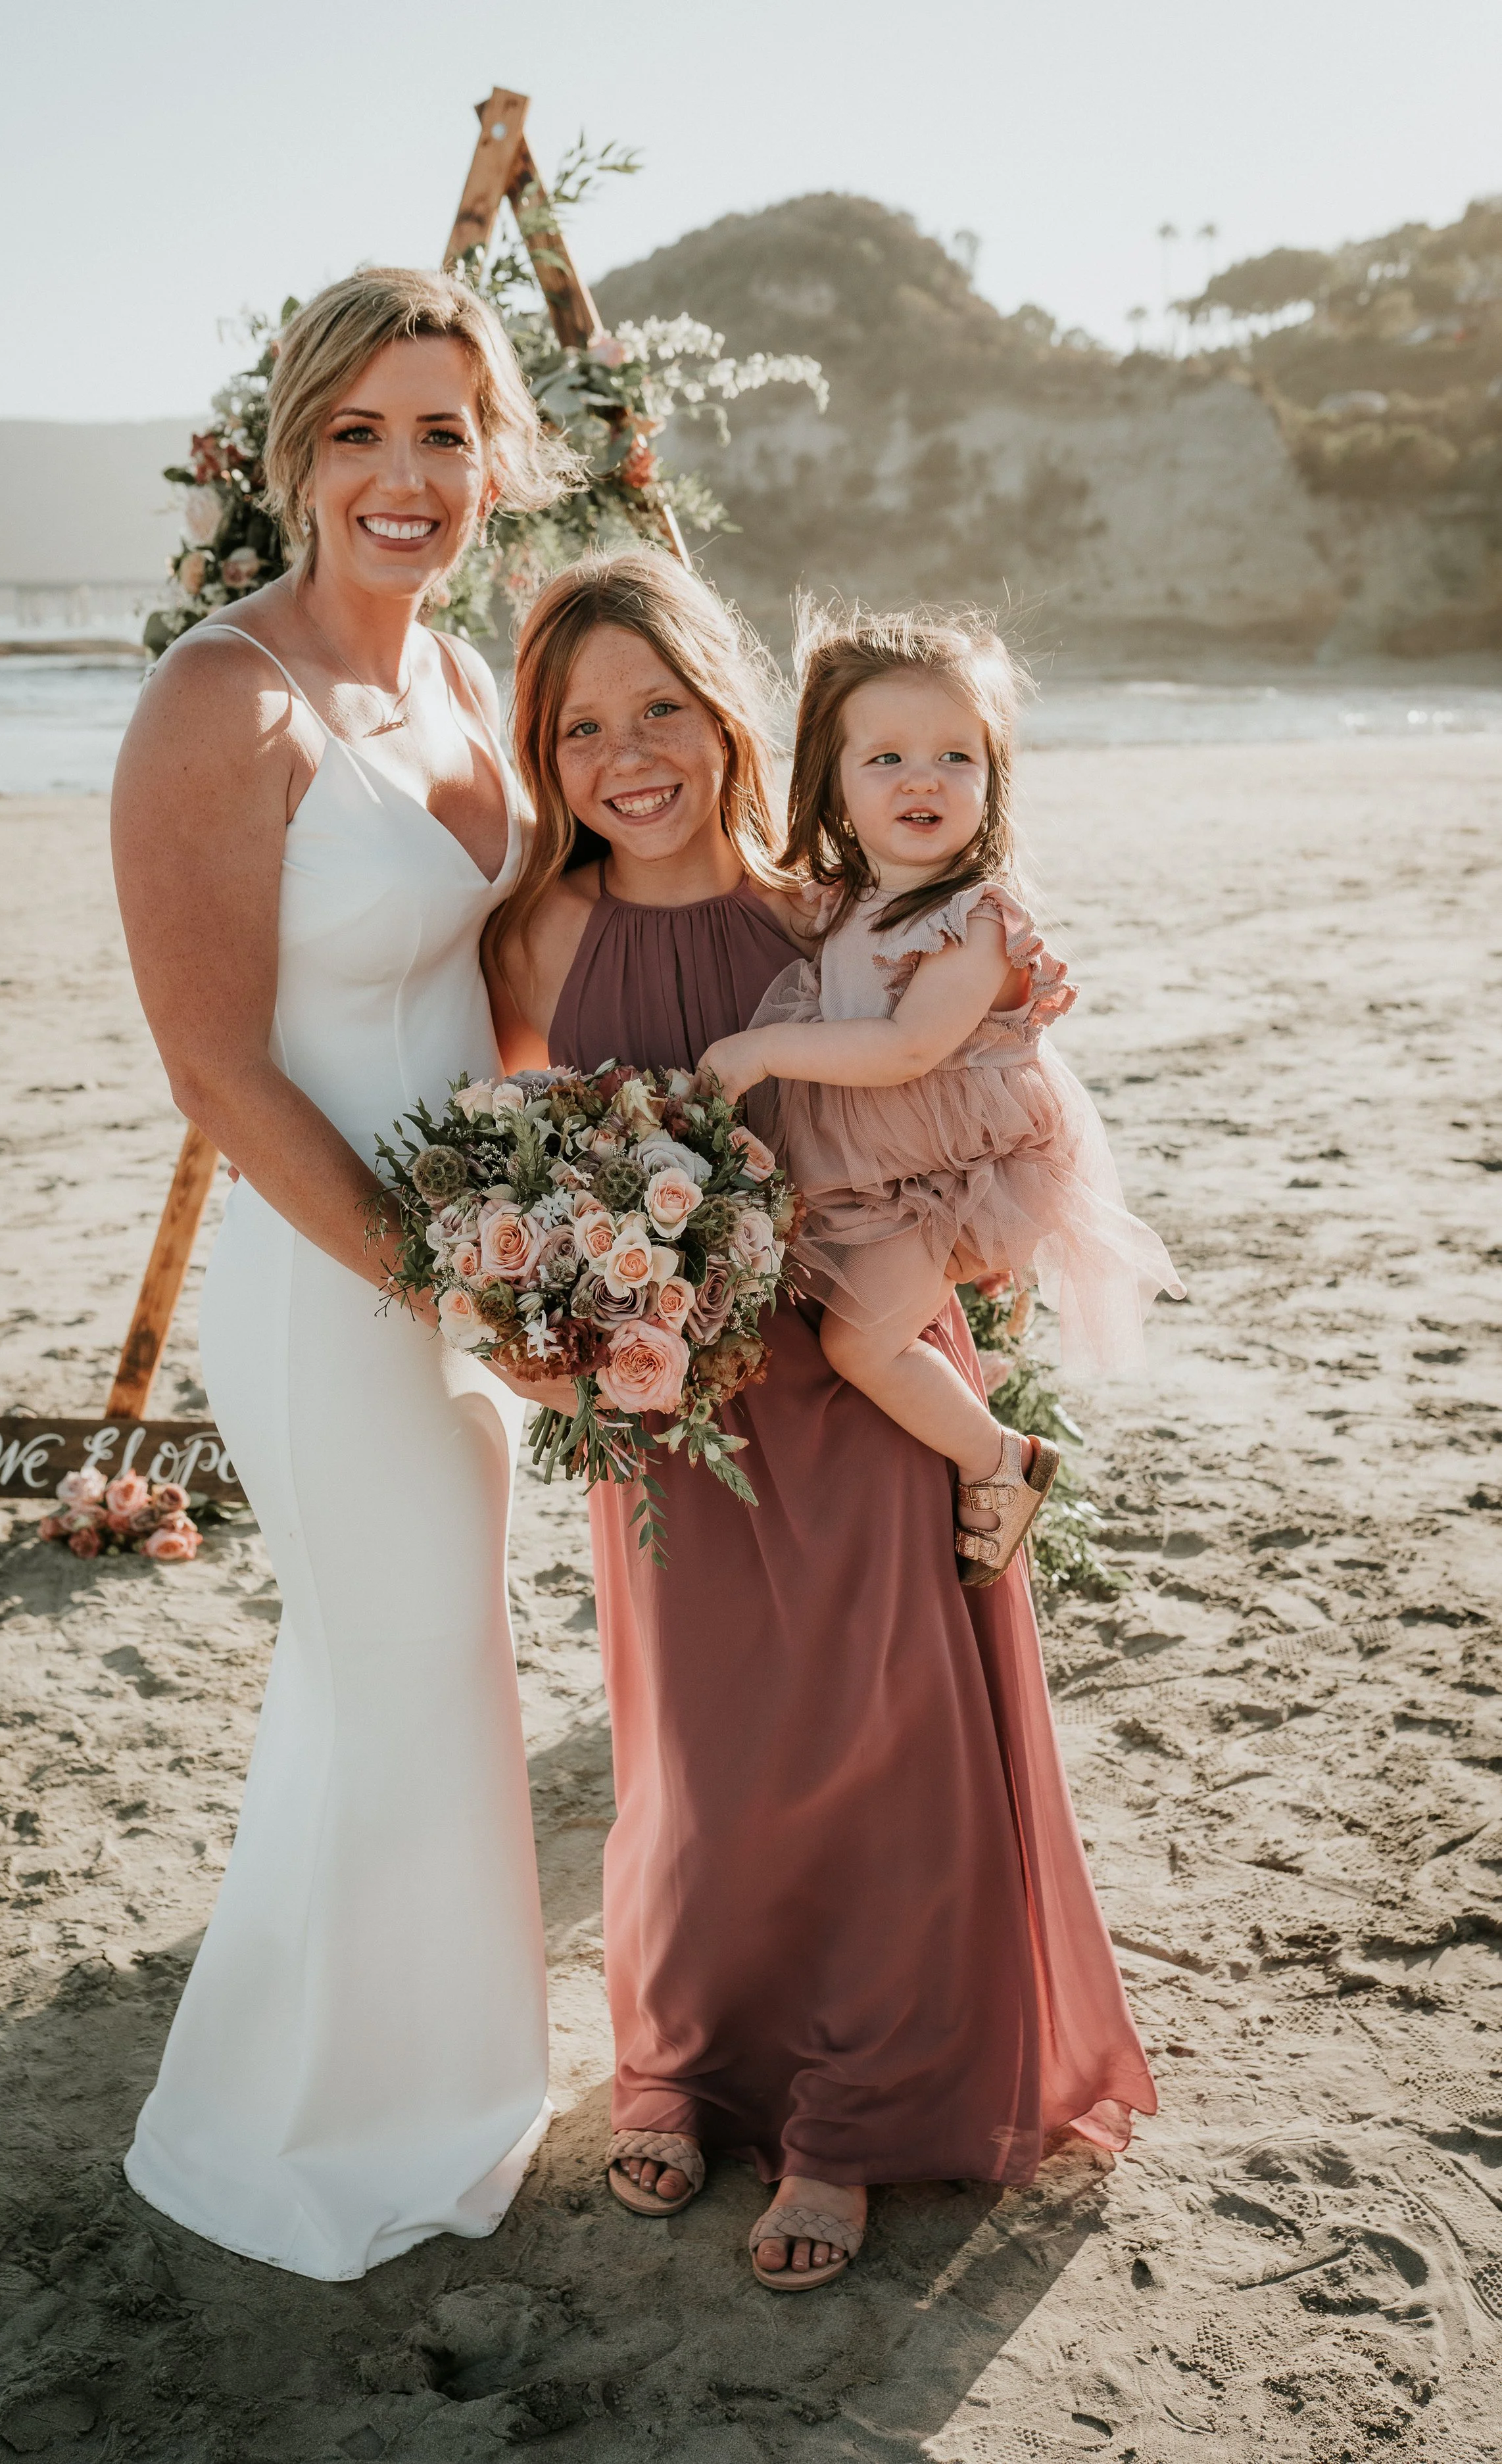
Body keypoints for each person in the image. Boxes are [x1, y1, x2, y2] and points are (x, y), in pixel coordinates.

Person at [486, 551, 1157, 2292]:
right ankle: (683, 2068)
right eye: (578, 728)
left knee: (873, 1744)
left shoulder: (818, 909)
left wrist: (1018, 1013)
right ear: (542, 758)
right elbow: (509, 1164)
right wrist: (550, 1335)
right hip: (666, 1409)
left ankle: (851, 2122)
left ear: (725, 720)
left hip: (850, 1367)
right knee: (694, 1761)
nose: (626, 753)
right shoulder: (536, 933)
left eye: (659, 709)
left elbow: (972, 1051)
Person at [109, 268, 581, 2280]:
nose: (407, 476)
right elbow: (218, 1064)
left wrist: (580, 1219)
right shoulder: (222, 701)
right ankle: (318, 2131)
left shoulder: (470, 679)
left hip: (480, 1260)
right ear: (291, 449)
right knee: (401, 1673)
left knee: (424, 1665)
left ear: (498, 461)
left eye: (446, 433)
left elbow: (510, 974)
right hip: (336, 1283)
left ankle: (433, 2072)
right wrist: (438, 1280)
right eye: (363, 432)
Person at [696, 604, 1184, 1586]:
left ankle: (1000, 1458)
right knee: (838, 1327)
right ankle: (977, 1393)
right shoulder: (850, 894)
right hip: (874, 1163)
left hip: (950, 1165)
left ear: (993, 779)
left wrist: (756, 1051)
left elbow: (909, 1048)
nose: (923, 778)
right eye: (885, 759)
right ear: (832, 782)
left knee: (859, 1345)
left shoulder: (977, 920)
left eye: (956, 756)